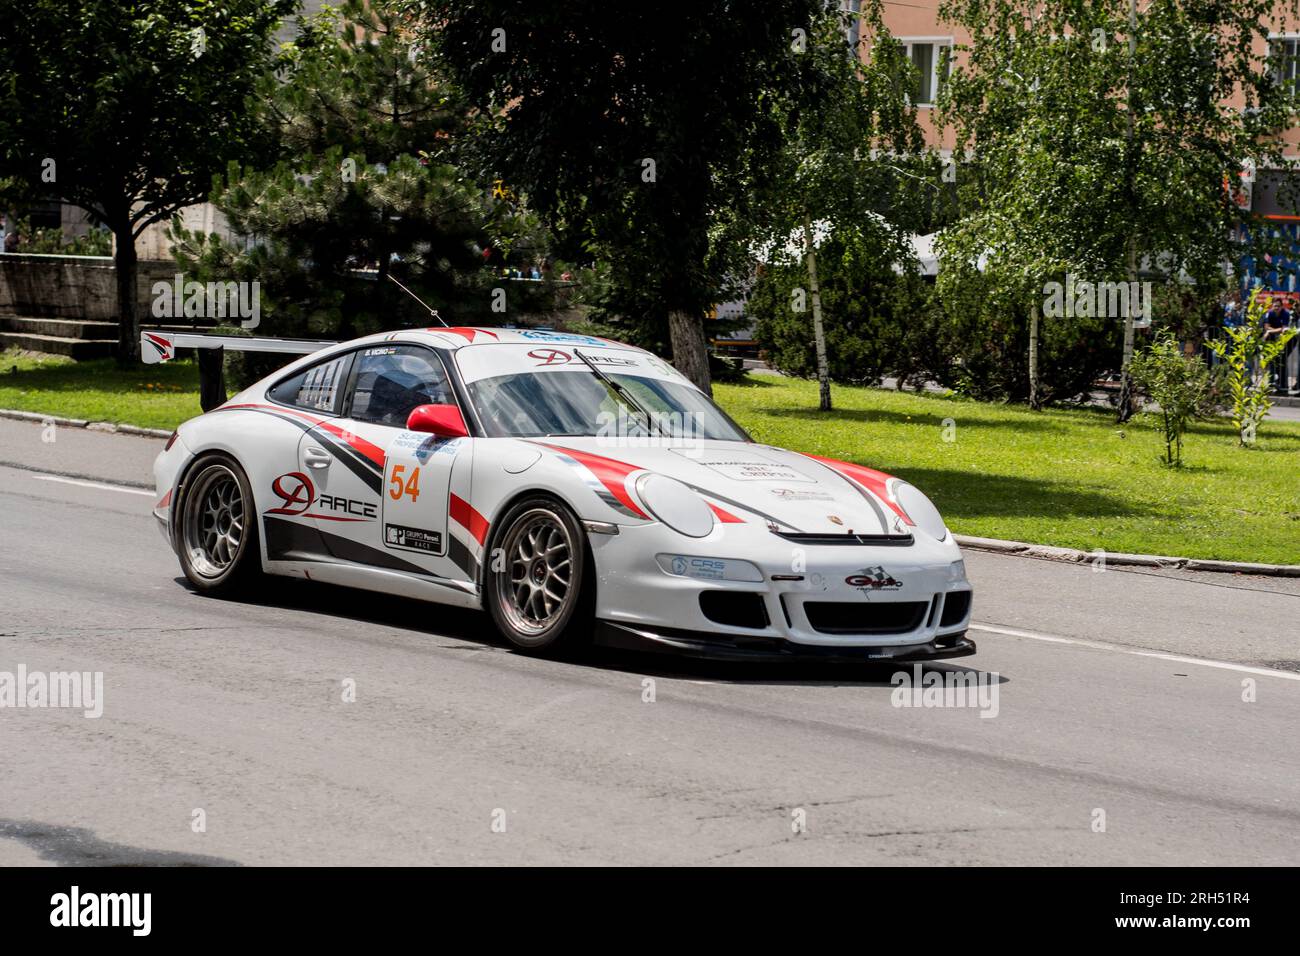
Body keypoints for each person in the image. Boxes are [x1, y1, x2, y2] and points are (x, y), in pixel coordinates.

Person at [1262, 299, 1293, 393]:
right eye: (1275, 306)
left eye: (1278, 306)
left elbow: (1284, 329)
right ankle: (1270, 385)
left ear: (1282, 306)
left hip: (1283, 343)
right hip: (1270, 342)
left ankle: (1283, 387)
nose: (1276, 308)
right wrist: (1273, 330)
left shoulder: (1286, 313)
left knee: (1282, 363)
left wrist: (1270, 331)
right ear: (1272, 306)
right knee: (1271, 363)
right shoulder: (1269, 313)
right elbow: (1266, 327)